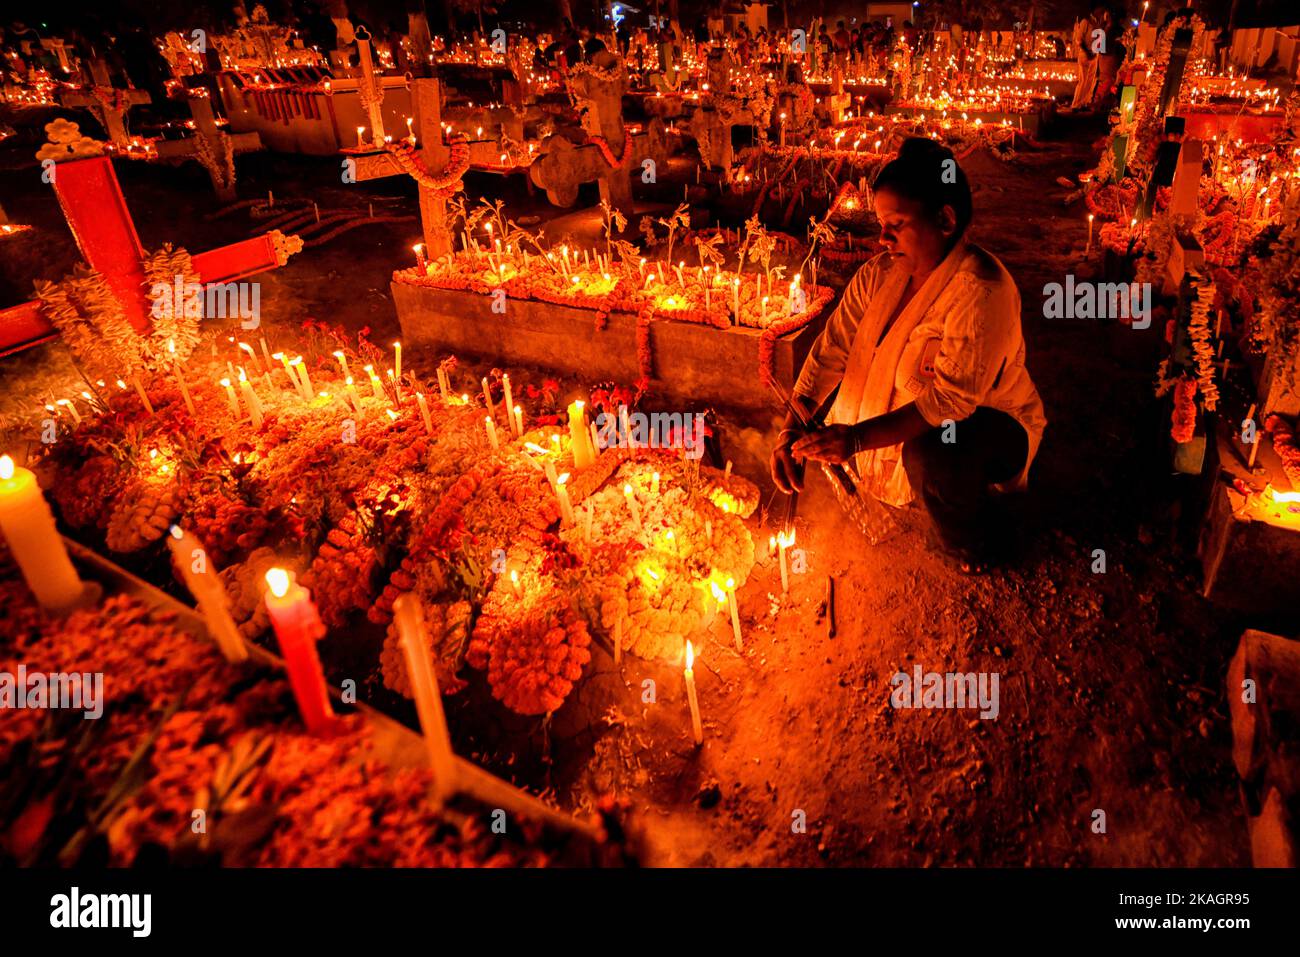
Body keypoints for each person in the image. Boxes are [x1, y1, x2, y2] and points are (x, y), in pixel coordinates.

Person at [771, 139, 1047, 572]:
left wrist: (857, 440)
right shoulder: (878, 275)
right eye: (880, 222)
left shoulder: (981, 290)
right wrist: (790, 431)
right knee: (917, 445)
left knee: (936, 453)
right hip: (924, 424)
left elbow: (950, 402)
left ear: (945, 219)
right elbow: (832, 351)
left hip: (991, 426)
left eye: (896, 224)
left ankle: (974, 542)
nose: (882, 238)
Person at [1071, 5, 1101, 109]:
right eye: (1099, 9)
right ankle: (1076, 104)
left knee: (1090, 81)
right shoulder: (1085, 22)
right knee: (1083, 80)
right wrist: (1088, 52)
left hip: (1094, 55)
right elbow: (1079, 40)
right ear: (1094, 10)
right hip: (1085, 54)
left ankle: (1084, 102)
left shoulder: (1097, 23)